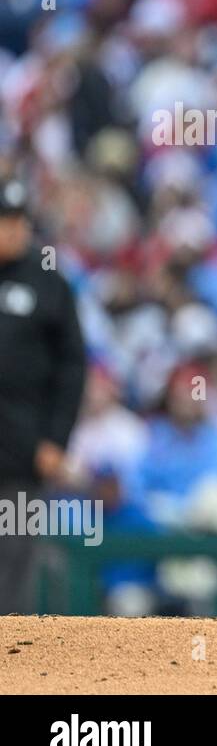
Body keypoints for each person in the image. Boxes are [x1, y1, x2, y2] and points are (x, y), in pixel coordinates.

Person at [0, 179, 87, 614]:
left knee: (14, 561)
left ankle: (9, 656)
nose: (11, 231)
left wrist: (56, 439)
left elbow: (73, 364)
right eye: (3, 222)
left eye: (17, 222)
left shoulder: (48, 279)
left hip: (22, 449)